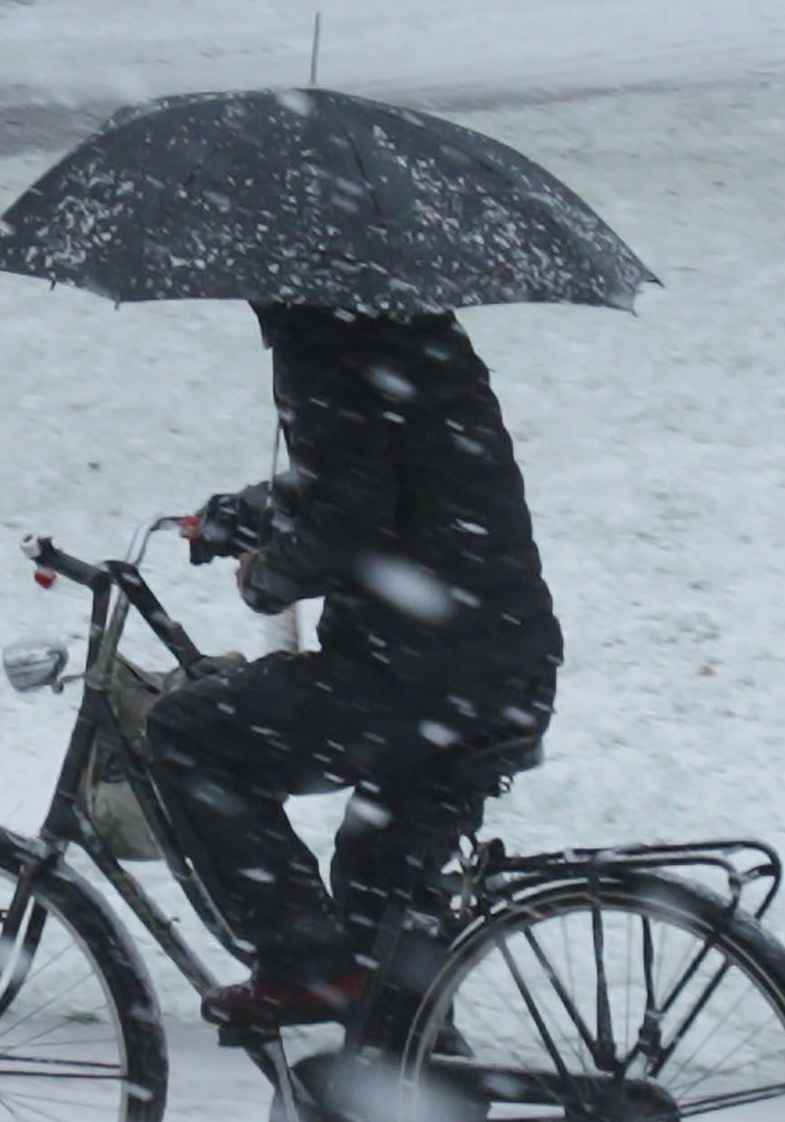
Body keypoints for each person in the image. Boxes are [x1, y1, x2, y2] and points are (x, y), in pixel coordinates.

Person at [141, 300, 564, 1036]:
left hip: (415, 675)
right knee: (381, 904)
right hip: (503, 666)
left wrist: (262, 576)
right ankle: (424, 1110)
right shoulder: (409, 324)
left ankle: (304, 968)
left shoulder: (320, 338)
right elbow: (388, 474)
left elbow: (350, 522)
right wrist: (246, 511)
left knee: (188, 731)